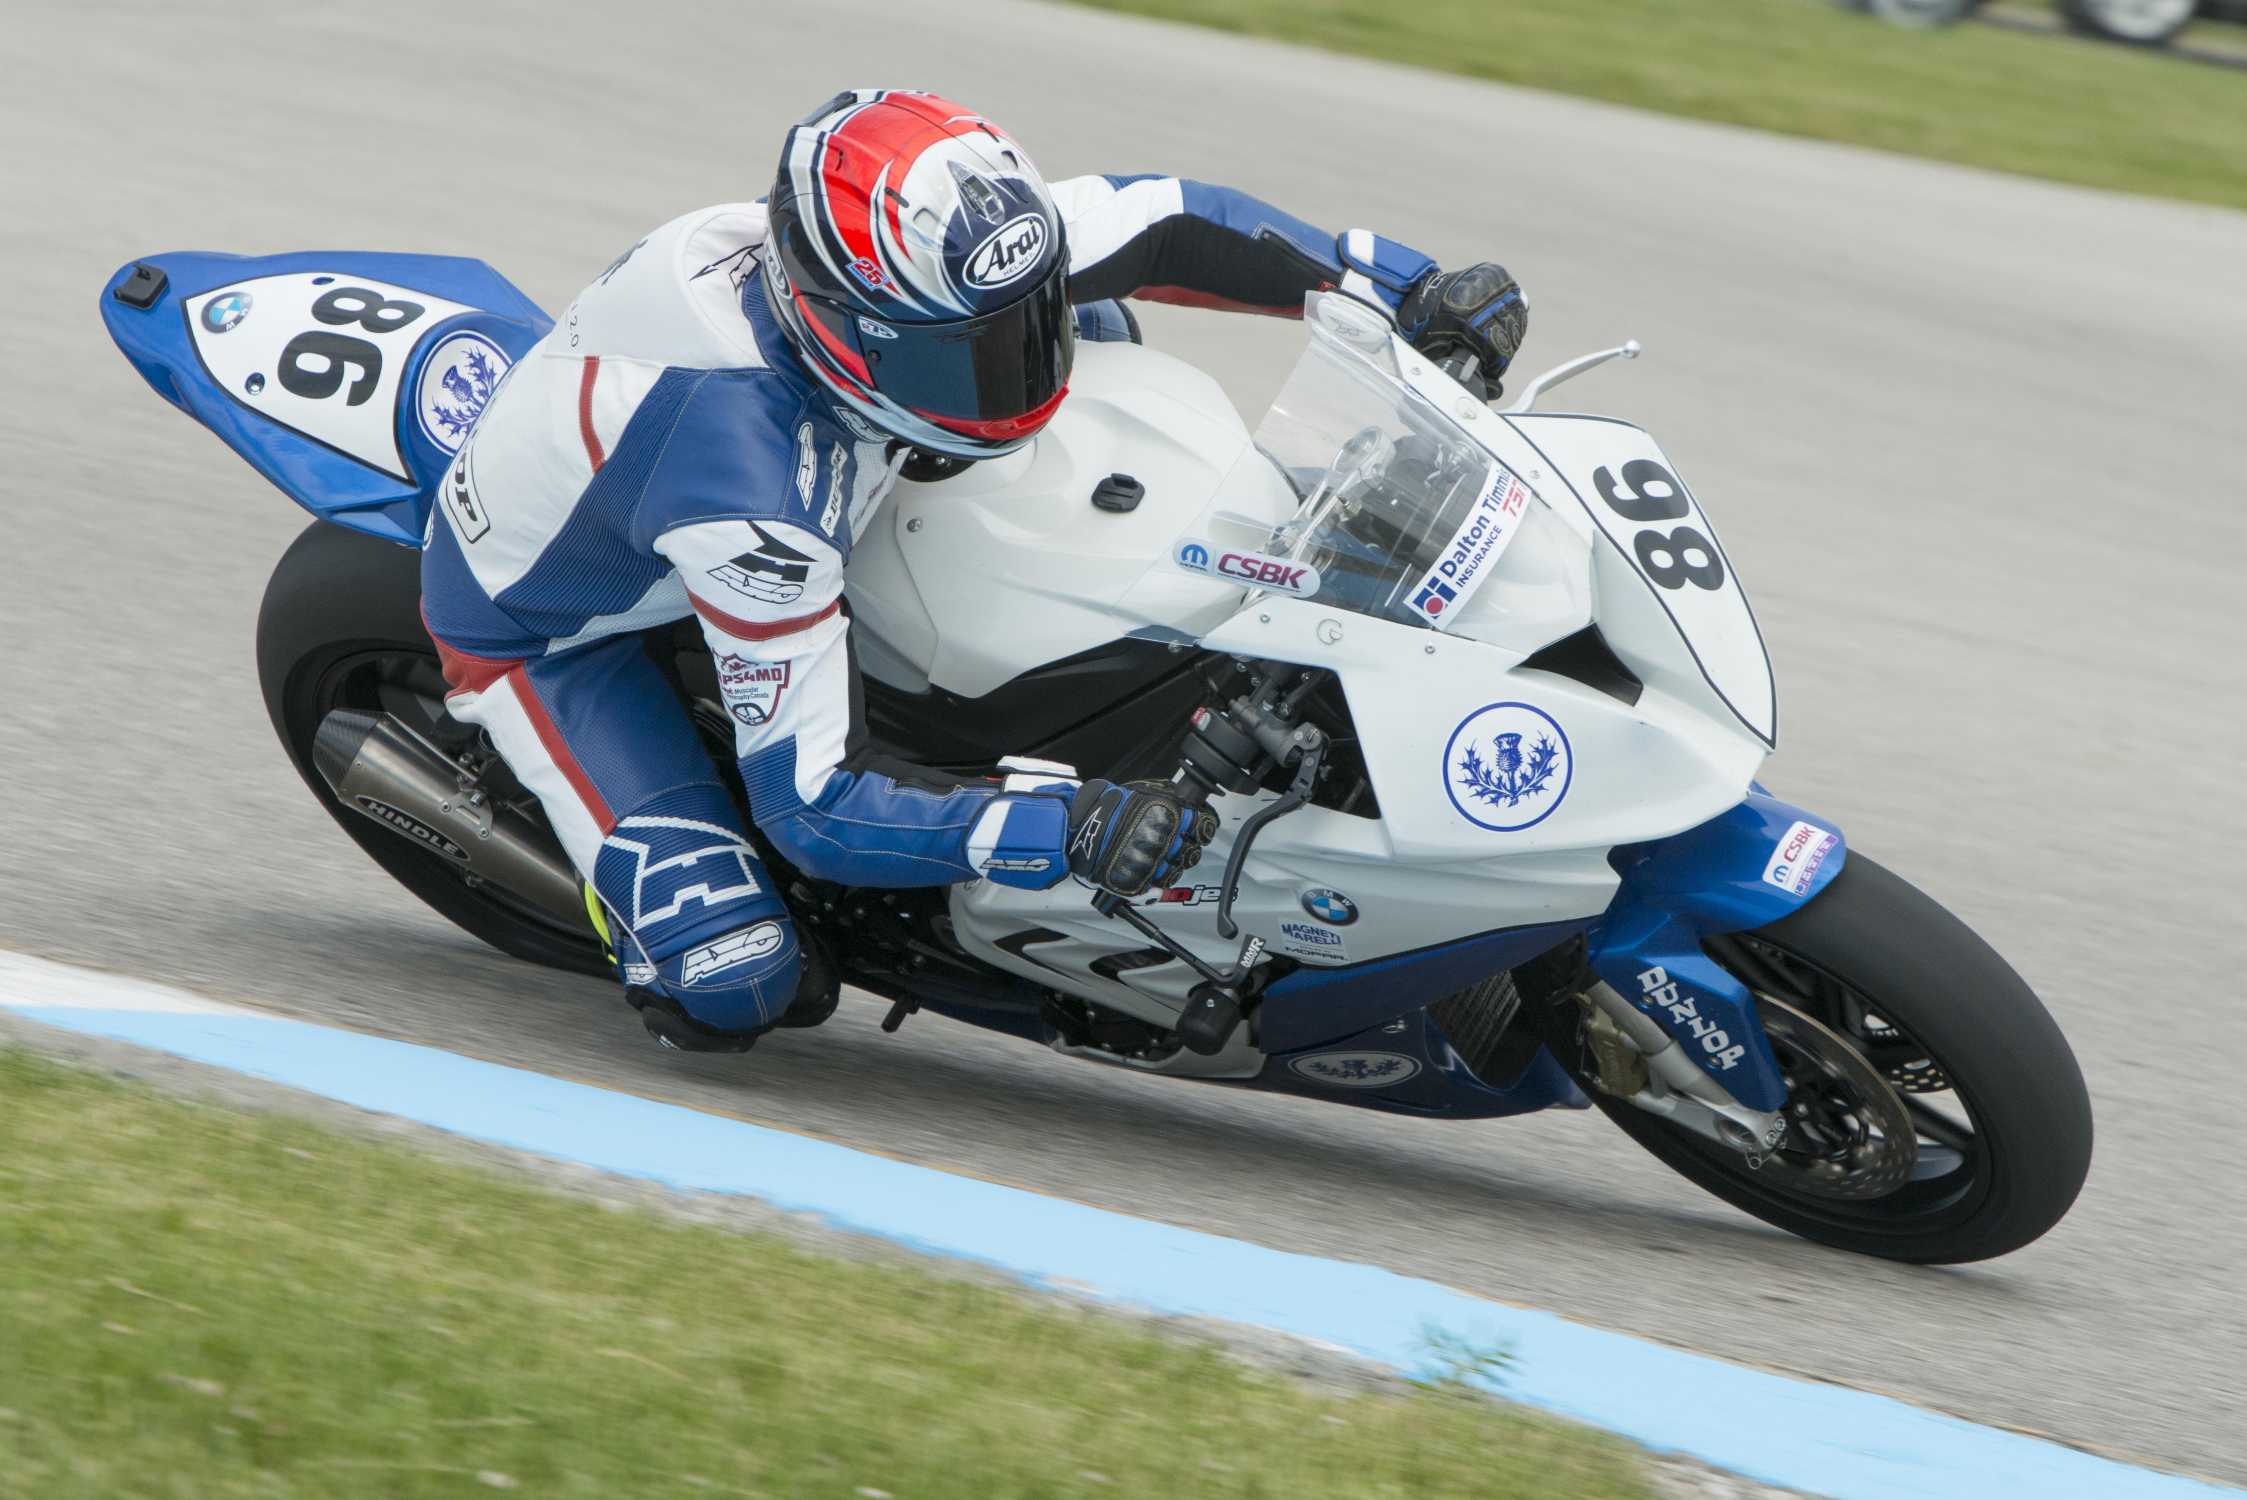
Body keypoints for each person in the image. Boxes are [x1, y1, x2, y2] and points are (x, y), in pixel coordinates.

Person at [419, 88, 1529, 1053]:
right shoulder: (755, 503)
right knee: (740, 982)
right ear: (842, 328)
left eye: (1019, 329)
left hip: (806, 461)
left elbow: (1174, 222)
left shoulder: (939, 263)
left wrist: (1407, 289)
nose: (1017, 372)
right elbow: (812, 807)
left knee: (1105, 352)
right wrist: (1072, 828)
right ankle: (644, 901)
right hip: (558, 634)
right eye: (969, 358)